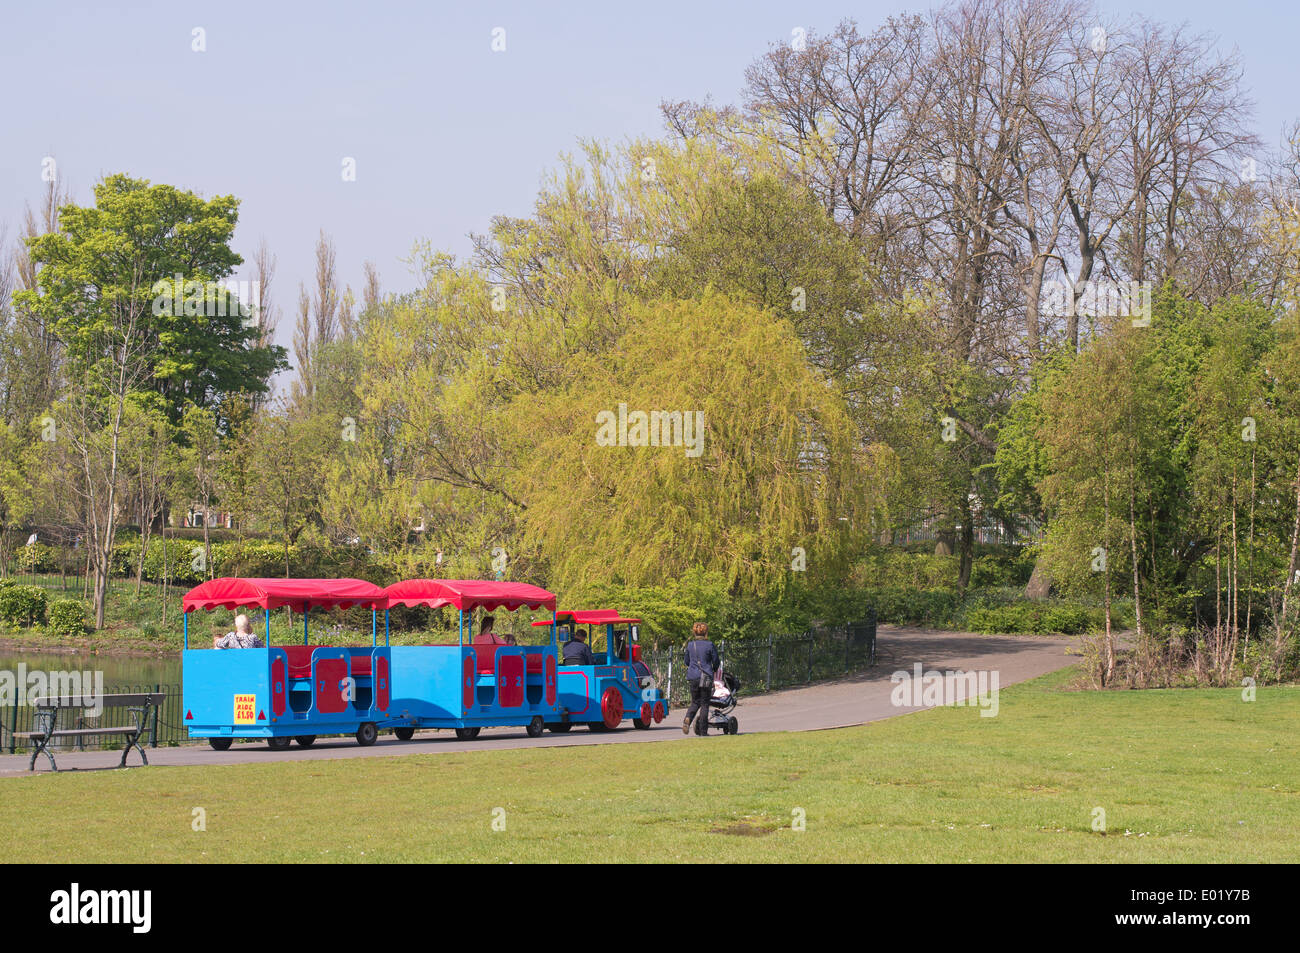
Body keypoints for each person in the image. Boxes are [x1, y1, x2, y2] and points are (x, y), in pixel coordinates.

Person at [682, 621, 720, 735]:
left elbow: (686, 661)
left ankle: (688, 718)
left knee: (695, 702)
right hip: (706, 677)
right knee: (704, 703)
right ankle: (703, 732)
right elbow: (716, 661)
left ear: (694, 632)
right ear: (706, 632)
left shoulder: (690, 645)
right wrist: (713, 669)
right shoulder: (710, 645)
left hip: (693, 677)